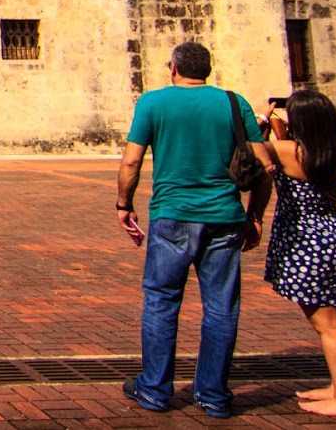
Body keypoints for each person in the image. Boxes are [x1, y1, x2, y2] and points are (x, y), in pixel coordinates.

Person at [116, 41, 271, 419]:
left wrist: (124, 204)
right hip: (224, 217)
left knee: (161, 301)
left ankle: (154, 389)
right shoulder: (234, 103)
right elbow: (265, 166)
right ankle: (214, 396)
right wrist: (255, 215)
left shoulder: (152, 103)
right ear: (208, 70)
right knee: (220, 307)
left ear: (173, 68)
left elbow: (132, 161)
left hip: (171, 215)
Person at [260, 90, 336, 419]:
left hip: (309, 243)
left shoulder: (286, 150)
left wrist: (264, 119)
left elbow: (252, 149)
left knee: (328, 326)